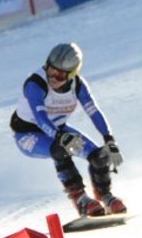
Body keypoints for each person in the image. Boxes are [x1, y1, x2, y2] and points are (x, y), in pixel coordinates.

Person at [11, 42, 127, 217]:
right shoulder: (35, 83)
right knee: (60, 149)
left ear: (72, 75)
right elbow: (40, 117)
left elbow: (93, 111)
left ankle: (104, 195)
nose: (52, 78)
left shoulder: (78, 85)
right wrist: (61, 136)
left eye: (59, 75)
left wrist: (109, 139)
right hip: (28, 134)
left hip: (58, 129)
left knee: (100, 156)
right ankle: (80, 200)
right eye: (50, 70)